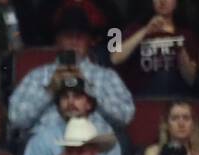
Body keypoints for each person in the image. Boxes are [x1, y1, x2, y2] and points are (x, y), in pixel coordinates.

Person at [7, 9, 134, 141]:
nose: (73, 42)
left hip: (95, 145)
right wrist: (49, 91)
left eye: (79, 36)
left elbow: (125, 117)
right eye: (68, 36)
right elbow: (16, 118)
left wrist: (90, 91)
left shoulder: (107, 77)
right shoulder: (37, 76)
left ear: (90, 41)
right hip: (47, 146)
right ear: (57, 41)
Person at [22, 75, 122, 155]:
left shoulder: (105, 141)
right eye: (65, 97)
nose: (70, 102)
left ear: (89, 104)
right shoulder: (41, 140)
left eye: (77, 97)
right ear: (58, 106)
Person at [111, 0, 198, 97]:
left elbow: (191, 79)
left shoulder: (186, 35)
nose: (162, 1)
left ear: (177, 3)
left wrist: (181, 51)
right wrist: (145, 30)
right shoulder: (134, 29)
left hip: (176, 96)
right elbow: (115, 58)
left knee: (166, 76)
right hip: (143, 95)